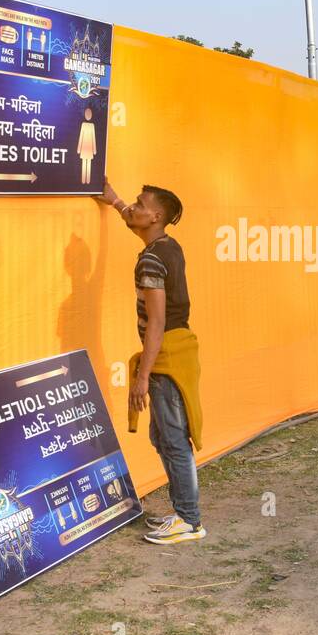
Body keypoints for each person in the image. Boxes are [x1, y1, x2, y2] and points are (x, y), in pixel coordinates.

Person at [94, 180, 206, 544]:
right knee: (163, 436)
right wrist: (115, 201)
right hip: (172, 351)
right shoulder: (165, 246)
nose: (135, 208)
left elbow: (157, 321)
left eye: (141, 204)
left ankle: (189, 521)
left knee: (172, 439)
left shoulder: (152, 259)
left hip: (165, 356)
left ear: (156, 216)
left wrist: (142, 376)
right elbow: (132, 216)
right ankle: (183, 514)